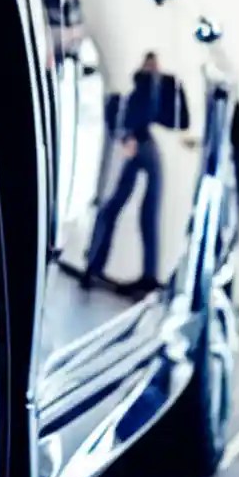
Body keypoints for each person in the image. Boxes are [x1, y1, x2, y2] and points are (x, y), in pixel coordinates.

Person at [82, 52, 165, 295]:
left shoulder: (144, 83)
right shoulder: (148, 84)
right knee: (135, 211)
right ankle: (104, 266)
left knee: (118, 208)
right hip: (142, 145)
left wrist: (128, 136)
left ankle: (97, 265)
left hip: (139, 146)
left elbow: (134, 111)